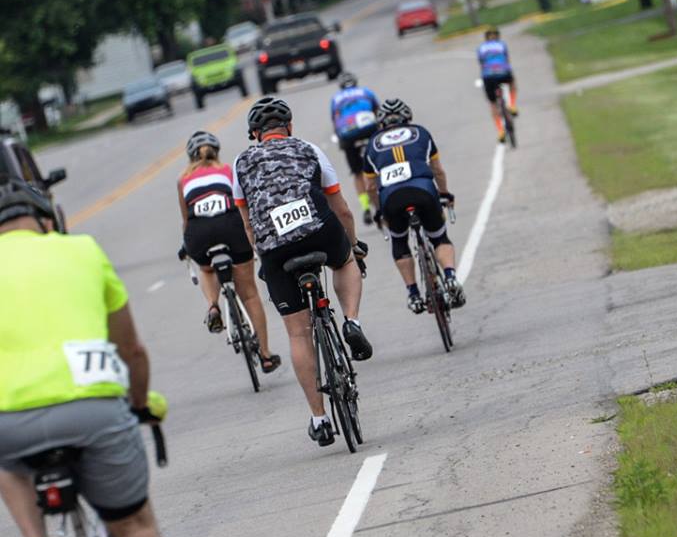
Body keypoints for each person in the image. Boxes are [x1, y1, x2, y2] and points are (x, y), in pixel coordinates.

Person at [0, 173, 172, 537]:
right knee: (135, 528)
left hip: (8, 421)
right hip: (91, 408)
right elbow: (131, 349)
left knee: (7, 461)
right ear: (45, 221)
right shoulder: (82, 250)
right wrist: (138, 404)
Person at [233, 97, 372, 448]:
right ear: (289, 127)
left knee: (298, 335)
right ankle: (351, 321)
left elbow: (247, 224)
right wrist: (353, 245)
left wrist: (264, 255)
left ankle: (320, 419)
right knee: (344, 262)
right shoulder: (309, 149)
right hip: (319, 230)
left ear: (254, 134)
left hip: (275, 247)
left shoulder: (240, 162)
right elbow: (341, 208)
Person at [177, 130, 280, 372]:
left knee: (206, 268)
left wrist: (186, 245)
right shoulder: (228, 171)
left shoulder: (183, 179)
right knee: (250, 293)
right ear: (217, 152)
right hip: (231, 227)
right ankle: (265, 354)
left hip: (200, 232)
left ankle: (213, 305)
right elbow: (242, 204)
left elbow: (186, 219)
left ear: (191, 157)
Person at [363, 98, 466, 313]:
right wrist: (445, 193)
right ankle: (450, 276)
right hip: (424, 191)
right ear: (408, 118)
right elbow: (437, 170)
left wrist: (379, 210)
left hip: (391, 198)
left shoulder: (372, 143)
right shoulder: (421, 133)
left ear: (381, 124)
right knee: (439, 237)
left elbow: (370, 186)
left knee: (399, 242)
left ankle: (413, 294)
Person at [330, 72, 380, 226]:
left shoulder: (335, 99)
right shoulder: (366, 92)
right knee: (377, 165)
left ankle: (365, 207)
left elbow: (335, 122)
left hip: (349, 135)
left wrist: (341, 141)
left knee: (358, 173)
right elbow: (378, 113)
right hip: (369, 129)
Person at [477, 26, 517, 143]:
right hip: (503, 73)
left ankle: (500, 131)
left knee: (493, 104)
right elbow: (507, 60)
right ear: (497, 36)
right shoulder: (502, 45)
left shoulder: (481, 48)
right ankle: (513, 105)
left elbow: (481, 63)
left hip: (488, 76)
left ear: (486, 38)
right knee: (512, 83)